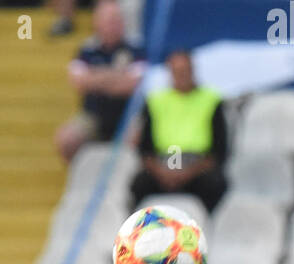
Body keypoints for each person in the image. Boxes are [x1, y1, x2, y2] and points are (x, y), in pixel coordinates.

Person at [129, 49, 227, 214]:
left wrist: (185, 173)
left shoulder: (211, 100)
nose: (181, 76)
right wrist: (163, 172)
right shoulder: (155, 101)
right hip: (163, 164)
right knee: (138, 185)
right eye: (176, 71)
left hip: (197, 166)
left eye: (185, 71)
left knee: (214, 184)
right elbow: (144, 149)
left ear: (192, 71)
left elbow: (219, 150)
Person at [55, 0, 145, 162]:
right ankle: (81, 177)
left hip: (127, 115)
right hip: (93, 115)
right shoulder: (87, 50)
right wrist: (116, 76)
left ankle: (125, 179)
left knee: (138, 137)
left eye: (117, 20)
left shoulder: (135, 48)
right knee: (66, 139)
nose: (114, 25)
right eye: (109, 21)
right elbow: (79, 83)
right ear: (97, 23)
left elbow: (132, 85)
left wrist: (96, 78)